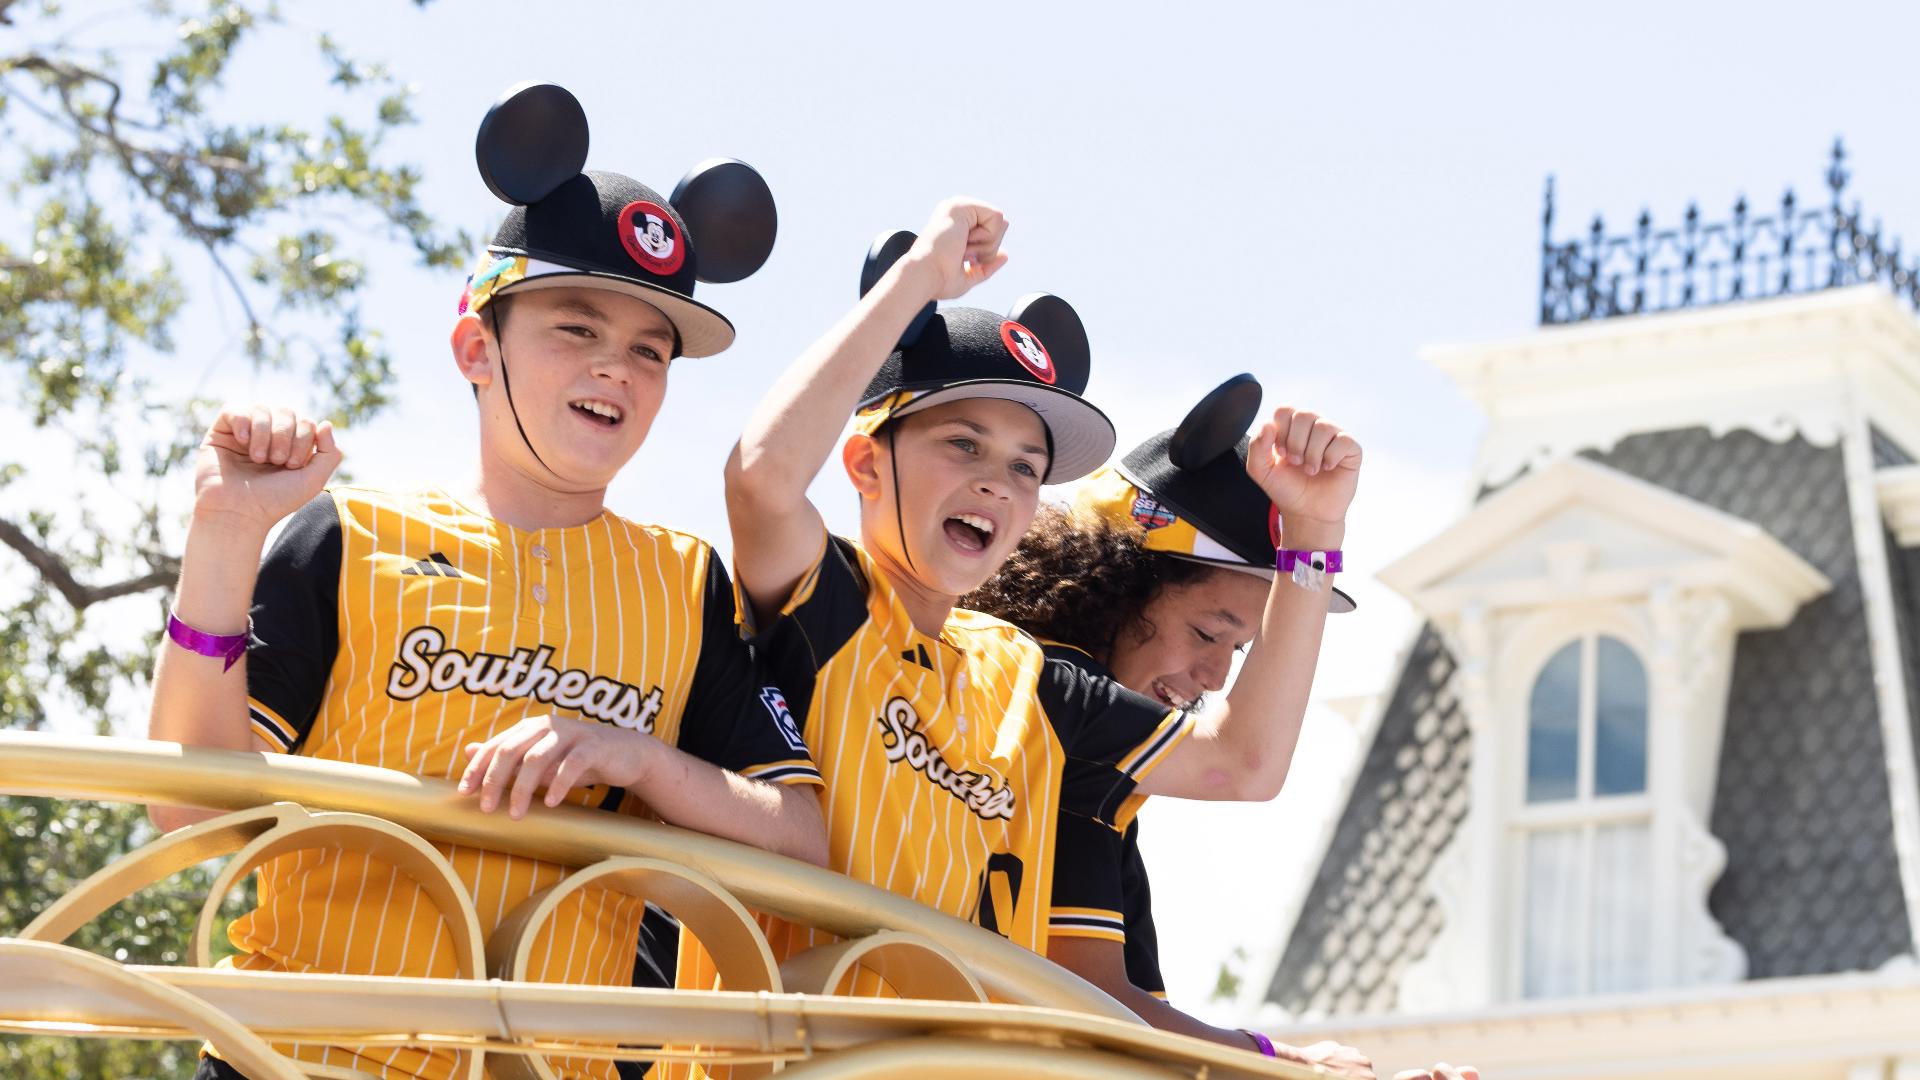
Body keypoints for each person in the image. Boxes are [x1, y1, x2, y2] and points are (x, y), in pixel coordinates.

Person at [146, 83, 825, 1080]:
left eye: (651, 351)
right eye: (577, 330)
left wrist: (632, 757)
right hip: (297, 1062)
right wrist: (226, 532)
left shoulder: (686, 583)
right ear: (477, 346)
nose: (620, 372)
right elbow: (192, 813)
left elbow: (800, 847)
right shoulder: (354, 533)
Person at [680, 198, 1358, 1038]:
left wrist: (1315, 535)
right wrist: (914, 284)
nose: (999, 482)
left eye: (1026, 467)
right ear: (863, 462)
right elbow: (761, 480)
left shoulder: (1030, 678)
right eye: (963, 444)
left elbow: (1246, 766)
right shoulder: (832, 603)